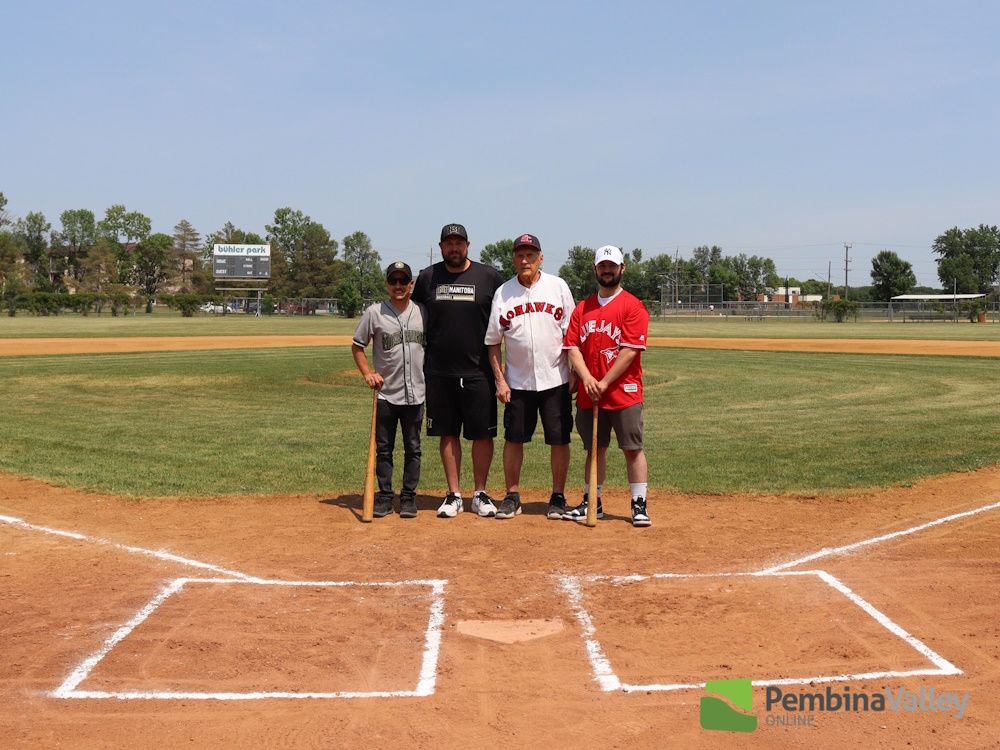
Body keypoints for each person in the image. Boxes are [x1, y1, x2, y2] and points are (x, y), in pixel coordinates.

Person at [412, 224, 504, 518]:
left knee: (482, 435)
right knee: (447, 433)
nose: (454, 248)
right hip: (439, 371)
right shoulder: (427, 278)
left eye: (459, 243)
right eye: (449, 243)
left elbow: (503, 321)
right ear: (440, 246)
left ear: (468, 245)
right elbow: (414, 319)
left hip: (479, 371)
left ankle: (480, 493)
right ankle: (453, 495)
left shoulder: (488, 277)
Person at [485, 233, 576, 520]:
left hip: (556, 379)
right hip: (518, 383)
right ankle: (512, 496)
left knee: (560, 439)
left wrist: (574, 372)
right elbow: (492, 342)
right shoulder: (503, 293)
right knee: (514, 439)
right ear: (513, 259)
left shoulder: (558, 287)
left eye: (530, 255)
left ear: (540, 258)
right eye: (520, 255)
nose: (525, 260)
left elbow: (572, 335)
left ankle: (558, 497)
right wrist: (500, 380)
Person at [561, 245, 652, 527]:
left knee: (632, 448)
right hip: (591, 393)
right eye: (603, 266)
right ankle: (593, 503)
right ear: (595, 270)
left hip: (623, 393)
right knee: (594, 449)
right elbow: (573, 347)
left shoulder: (632, 306)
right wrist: (588, 379)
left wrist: (603, 381)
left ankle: (639, 505)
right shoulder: (582, 308)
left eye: (613, 266)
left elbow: (629, 351)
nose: (608, 270)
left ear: (622, 268)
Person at [351, 262, 427, 519]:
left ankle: (408, 498)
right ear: (386, 284)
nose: (398, 286)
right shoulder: (374, 313)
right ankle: (384, 497)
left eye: (403, 281)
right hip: (386, 394)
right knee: (384, 449)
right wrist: (367, 374)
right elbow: (357, 346)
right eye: (393, 281)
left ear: (410, 284)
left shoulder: (422, 313)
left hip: (416, 393)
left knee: (413, 448)